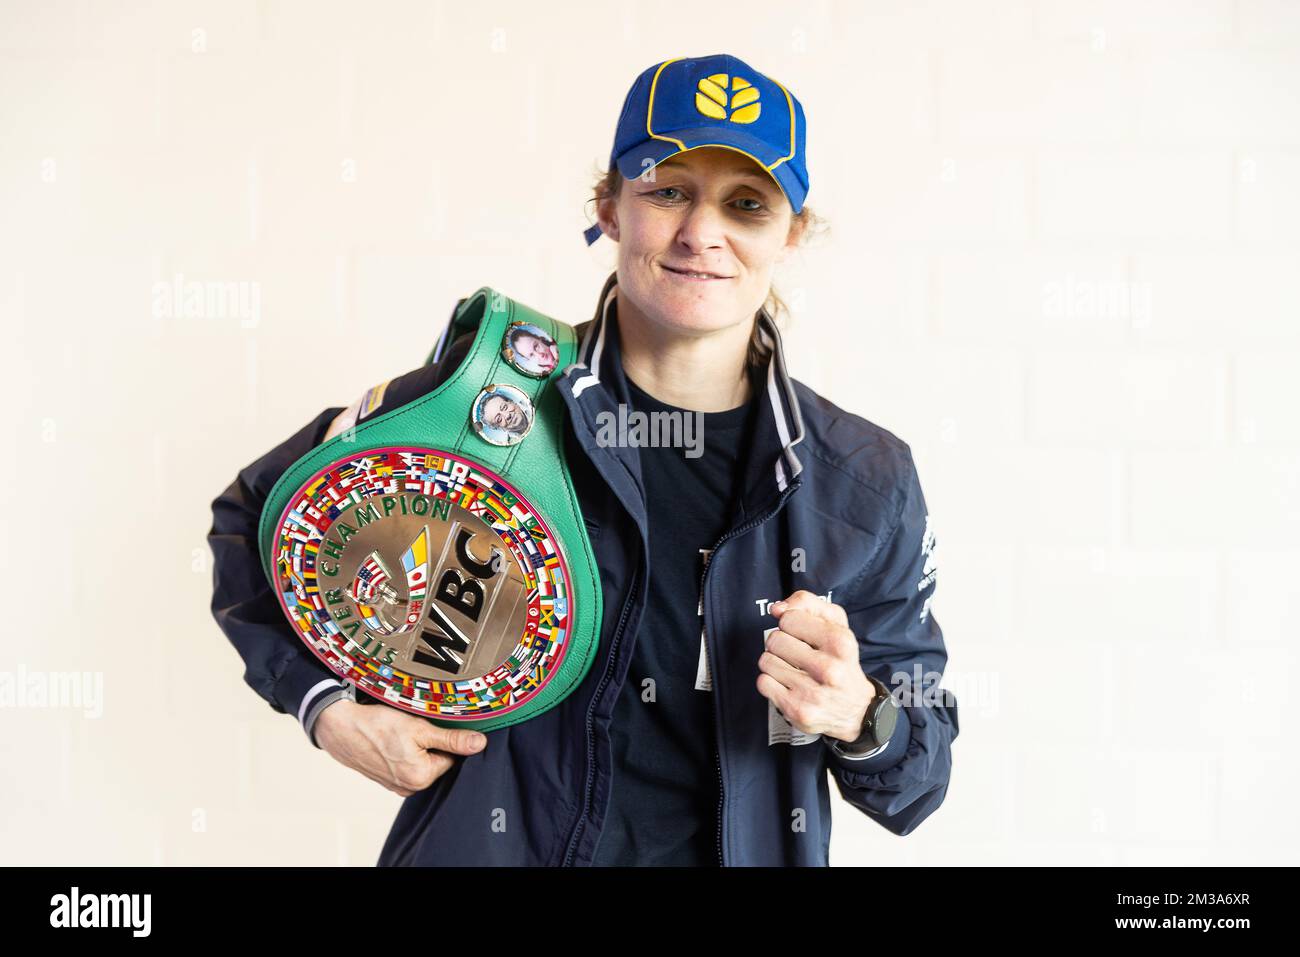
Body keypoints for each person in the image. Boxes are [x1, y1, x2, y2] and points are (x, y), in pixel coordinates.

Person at [207, 53, 958, 866]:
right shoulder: (488, 394)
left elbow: (919, 779)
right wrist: (329, 710)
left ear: (792, 232)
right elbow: (256, 514)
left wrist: (859, 711)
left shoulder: (862, 477)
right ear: (609, 206)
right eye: (667, 190)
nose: (701, 233)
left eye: (746, 204)